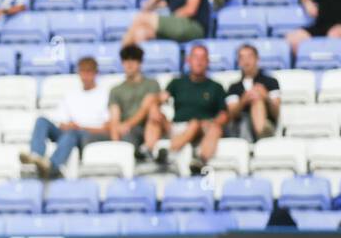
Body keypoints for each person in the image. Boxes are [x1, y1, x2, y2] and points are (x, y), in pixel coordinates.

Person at [22, 56, 110, 179]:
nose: (85, 76)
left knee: (72, 133)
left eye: (88, 72)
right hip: (68, 132)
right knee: (41, 121)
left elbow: (107, 128)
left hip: (88, 135)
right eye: (82, 72)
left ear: (95, 73)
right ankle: (36, 157)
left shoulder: (105, 95)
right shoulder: (72, 95)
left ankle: (52, 165)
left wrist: (80, 127)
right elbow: (61, 121)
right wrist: (67, 126)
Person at [151, 43, 227, 175]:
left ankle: (197, 159)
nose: (199, 62)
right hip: (177, 127)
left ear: (208, 61)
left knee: (207, 126)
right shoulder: (177, 83)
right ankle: (149, 150)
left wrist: (213, 122)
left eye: (202, 58)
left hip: (203, 128)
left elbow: (224, 114)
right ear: (188, 60)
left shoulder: (216, 87)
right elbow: (160, 98)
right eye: (195, 57)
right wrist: (154, 108)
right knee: (155, 117)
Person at [109, 44, 162, 159]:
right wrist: (115, 143)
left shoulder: (152, 84)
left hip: (149, 126)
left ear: (140, 62)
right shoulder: (116, 90)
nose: (129, 64)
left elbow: (148, 107)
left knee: (153, 111)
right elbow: (114, 119)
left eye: (133, 59)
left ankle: (148, 152)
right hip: (128, 130)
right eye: (125, 60)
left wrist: (127, 124)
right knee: (126, 135)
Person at [224, 43, 281, 141]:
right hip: (240, 127)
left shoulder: (271, 82)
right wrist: (243, 100)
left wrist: (266, 97)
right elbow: (231, 114)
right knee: (253, 102)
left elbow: (276, 113)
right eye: (242, 57)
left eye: (249, 56)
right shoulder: (234, 87)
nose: (246, 61)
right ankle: (260, 138)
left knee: (257, 101)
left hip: (267, 123)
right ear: (238, 62)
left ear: (257, 59)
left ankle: (261, 135)